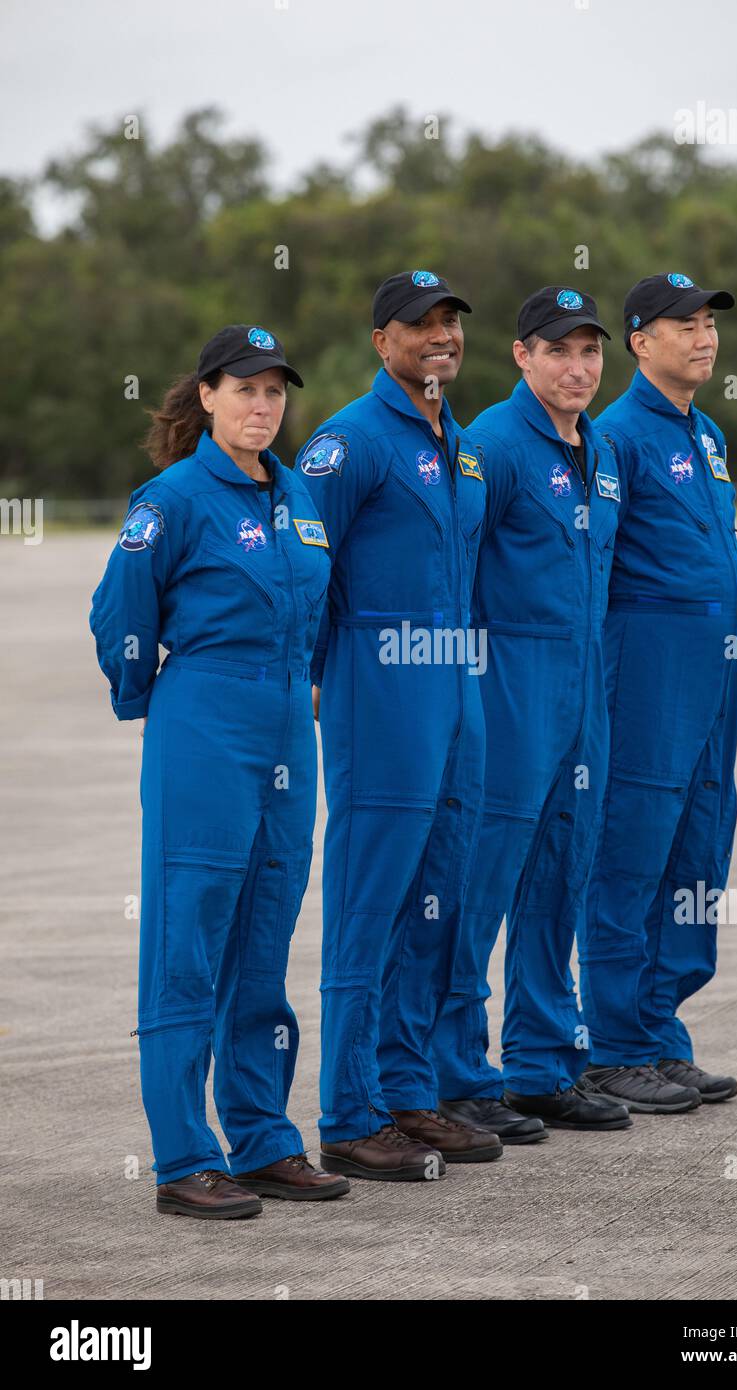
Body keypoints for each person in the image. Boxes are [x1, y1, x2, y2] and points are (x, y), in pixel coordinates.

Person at [90, 324, 349, 1217]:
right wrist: (152, 705)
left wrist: (303, 684)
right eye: (244, 389)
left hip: (286, 726)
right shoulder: (172, 499)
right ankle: (183, 1158)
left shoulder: (301, 496)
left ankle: (264, 1137)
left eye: (275, 391)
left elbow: (322, 610)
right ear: (206, 397)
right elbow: (120, 613)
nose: (262, 405)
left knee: (265, 937)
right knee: (188, 939)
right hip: (205, 720)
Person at [299, 271, 501, 1180]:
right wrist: (314, 679)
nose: (441, 336)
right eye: (421, 324)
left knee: (437, 894)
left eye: (451, 322)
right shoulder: (350, 442)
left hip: (453, 689)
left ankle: (407, 1090)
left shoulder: (458, 446)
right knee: (370, 899)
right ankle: (347, 1111)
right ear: (383, 339)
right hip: (378, 694)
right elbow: (306, 570)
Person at [431, 287, 631, 1139]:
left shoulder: (604, 450)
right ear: (522, 356)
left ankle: (543, 1066)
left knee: (563, 874)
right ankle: (454, 1073)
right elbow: (453, 572)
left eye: (589, 351)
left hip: (583, 686)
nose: (578, 367)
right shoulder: (491, 449)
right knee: (483, 879)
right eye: (558, 351)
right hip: (509, 683)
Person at [581, 273, 737, 1112]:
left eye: (709, 322)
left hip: (715, 665)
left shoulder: (706, 432)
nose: (704, 335)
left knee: (699, 838)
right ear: (641, 342)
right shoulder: (616, 439)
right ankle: (611, 1043)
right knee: (632, 841)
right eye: (684, 324)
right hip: (648, 662)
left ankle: (657, 1028)